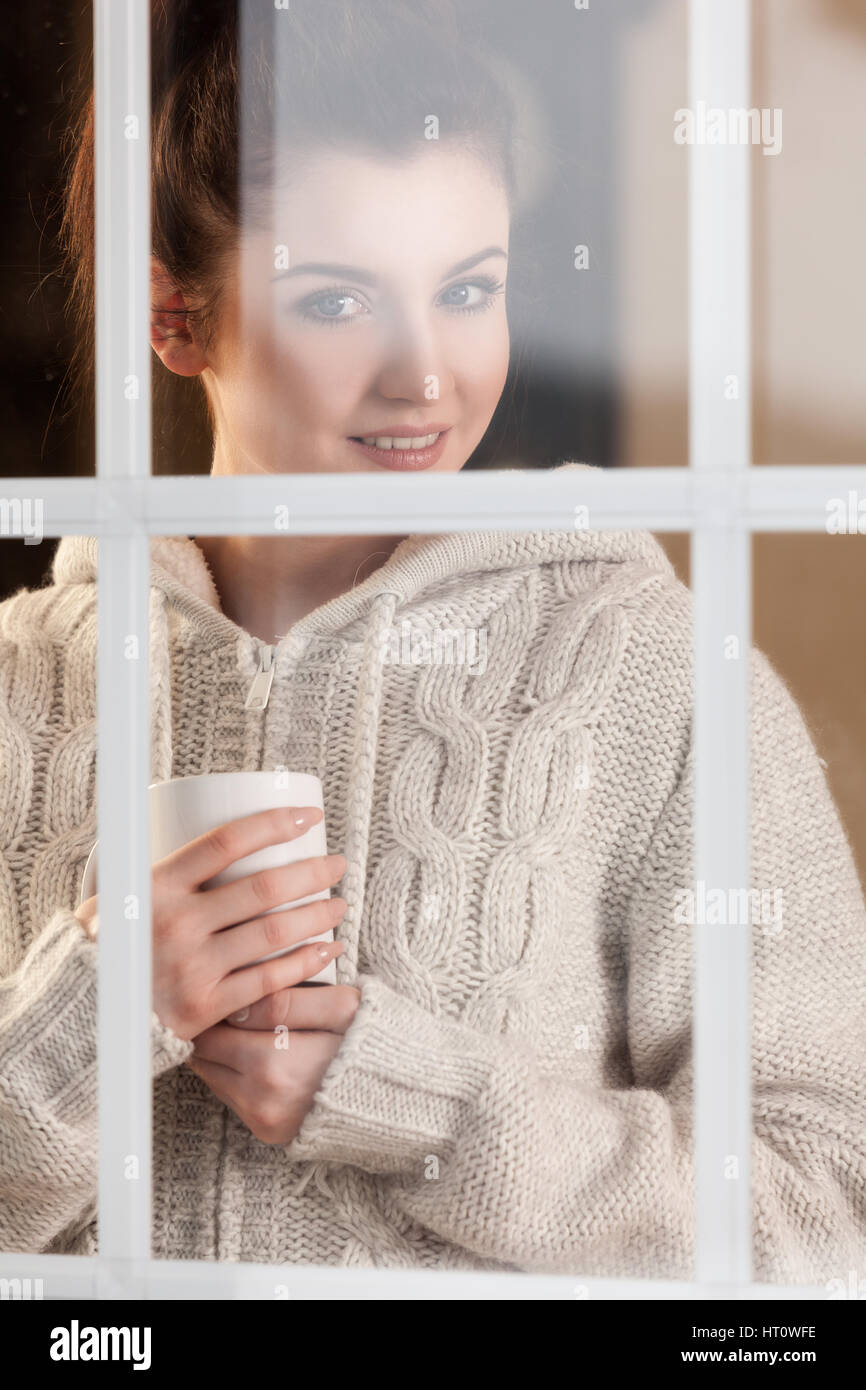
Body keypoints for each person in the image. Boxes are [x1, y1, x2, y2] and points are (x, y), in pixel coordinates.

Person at [0, 0, 864, 1280]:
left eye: (468, 289)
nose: (424, 374)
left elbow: (824, 1212)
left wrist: (426, 1108)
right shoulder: (21, 686)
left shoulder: (657, 678)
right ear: (174, 318)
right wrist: (81, 1031)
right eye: (337, 297)